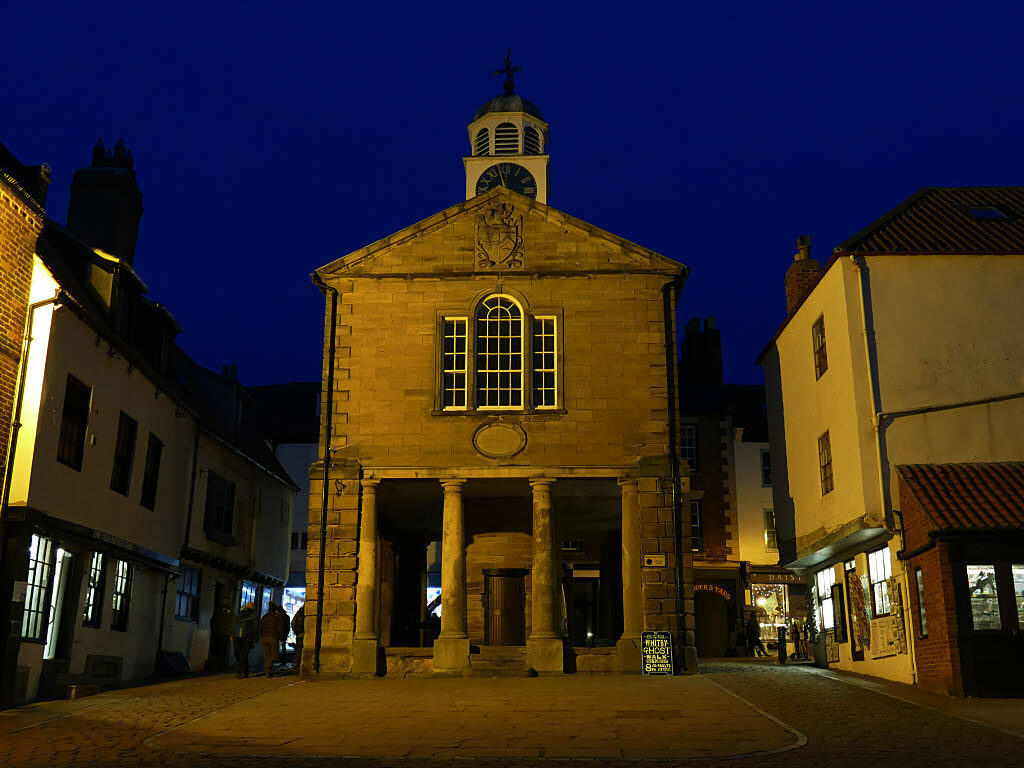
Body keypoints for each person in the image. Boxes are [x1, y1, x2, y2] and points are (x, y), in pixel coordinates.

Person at [209, 595, 235, 672]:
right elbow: (213, 620)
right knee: (217, 650)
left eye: (226, 601)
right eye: (224, 601)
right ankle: (217, 666)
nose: (225, 602)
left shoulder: (231, 611)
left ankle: (221, 668)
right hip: (217, 633)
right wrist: (213, 630)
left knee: (223, 651)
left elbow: (233, 623)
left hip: (226, 634)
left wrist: (231, 633)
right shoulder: (218, 610)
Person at [260, 601, 286, 676]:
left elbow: (260, 627)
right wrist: (282, 637)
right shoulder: (277, 617)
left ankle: (268, 671)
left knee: (267, 655)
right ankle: (268, 667)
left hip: (264, 638)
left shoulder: (264, 617)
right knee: (275, 654)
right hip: (273, 637)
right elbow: (280, 628)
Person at [233, 601, 258, 678]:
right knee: (243, 655)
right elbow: (255, 628)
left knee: (240, 654)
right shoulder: (254, 615)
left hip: (238, 637)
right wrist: (255, 639)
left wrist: (233, 634)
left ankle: (242, 671)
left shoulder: (240, 613)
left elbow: (234, 624)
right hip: (247, 638)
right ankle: (242, 672)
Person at [291, 604, 305, 674]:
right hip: (304, 634)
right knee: (300, 651)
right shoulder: (305, 614)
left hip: (299, 635)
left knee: (298, 651)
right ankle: (299, 666)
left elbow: (293, 623)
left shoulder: (297, 614)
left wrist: (296, 633)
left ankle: (296, 666)